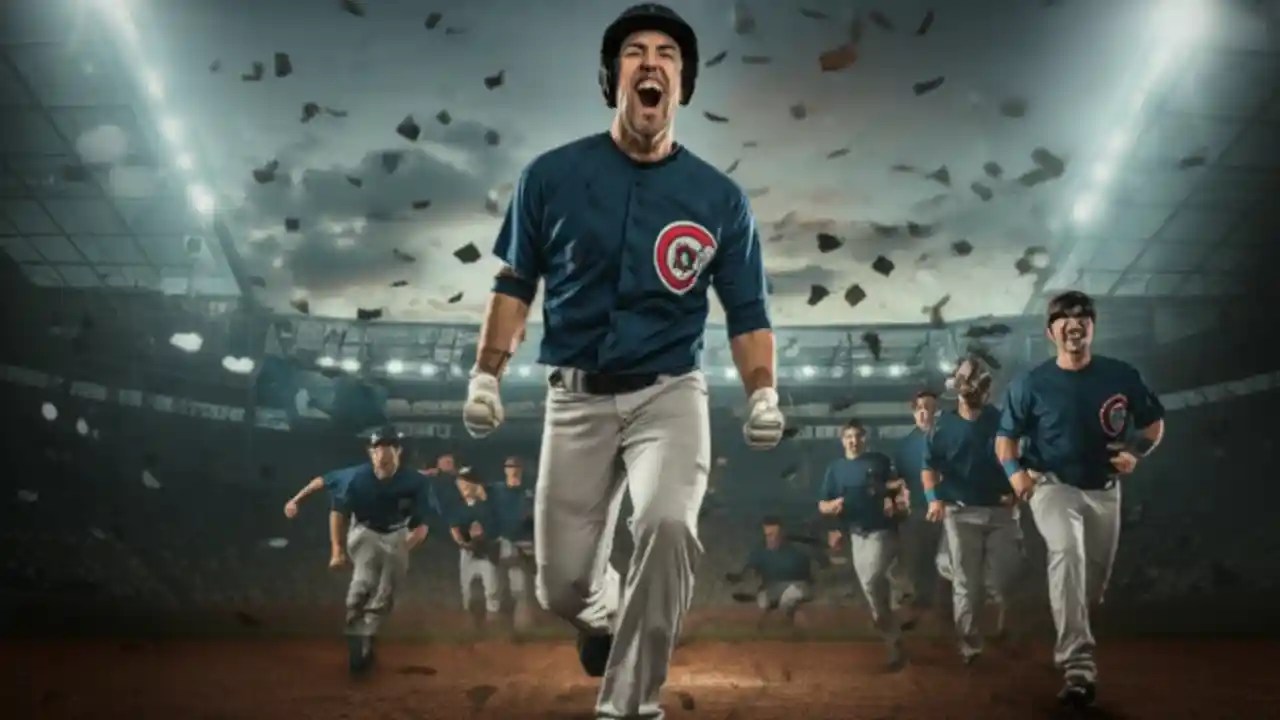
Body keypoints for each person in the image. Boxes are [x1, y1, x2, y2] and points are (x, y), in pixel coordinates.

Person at [459, 5, 785, 717]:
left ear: (682, 84)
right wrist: (486, 370)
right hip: (574, 397)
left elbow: (749, 312)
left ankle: (630, 705)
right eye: (634, 52)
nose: (651, 62)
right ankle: (603, 617)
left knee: (667, 527)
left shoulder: (721, 199)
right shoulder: (548, 176)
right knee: (562, 588)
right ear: (613, 80)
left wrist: (763, 391)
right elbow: (515, 283)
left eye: (667, 54)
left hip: (670, 395)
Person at [996, 291, 1165, 708]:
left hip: (1105, 491)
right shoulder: (1032, 383)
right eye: (1063, 317)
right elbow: (1005, 439)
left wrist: (1136, 452)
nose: (1074, 323)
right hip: (1052, 485)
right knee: (1067, 551)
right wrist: (1016, 475)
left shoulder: (1120, 375)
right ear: (1050, 331)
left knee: (1092, 587)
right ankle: (1078, 670)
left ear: (1093, 325)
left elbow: (1154, 424)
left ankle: (1061, 625)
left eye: (1082, 316)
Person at [281, 425, 430, 674]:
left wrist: (407, 546)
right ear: (370, 453)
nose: (382, 453)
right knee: (363, 583)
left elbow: (423, 523)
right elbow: (322, 482)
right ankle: (355, 626)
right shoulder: (355, 477)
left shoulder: (415, 481)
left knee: (386, 592)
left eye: (388, 447)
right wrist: (295, 500)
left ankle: (367, 635)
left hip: (398, 532)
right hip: (365, 531)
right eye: (376, 448)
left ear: (398, 450)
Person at [922, 356, 1022, 664]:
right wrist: (933, 499)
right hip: (960, 513)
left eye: (975, 384)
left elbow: (1017, 458)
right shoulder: (943, 426)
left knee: (1005, 577)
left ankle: (1010, 631)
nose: (970, 391)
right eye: (966, 384)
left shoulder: (1001, 420)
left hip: (1000, 512)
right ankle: (970, 646)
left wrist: (1016, 493)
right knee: (967, 582)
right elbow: (929, 466)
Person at [818, 419, 908, 671]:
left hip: (882, 531)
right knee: (872, 593)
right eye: (848, 436)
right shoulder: (835, 469)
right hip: (856, 535)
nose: (853, 440)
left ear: (864, 439)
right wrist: (832, 508)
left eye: (857, 436)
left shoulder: (879, 461)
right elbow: (822, 504)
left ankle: (900, 597)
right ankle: (893, 639)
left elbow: (899, 486)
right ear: (842, 440)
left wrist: (895, 499)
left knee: (873, 578)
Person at [892, 390, 941, 614]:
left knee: (945, 564)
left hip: (946, 511)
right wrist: (901, 495)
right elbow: (898, 480)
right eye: (919, 408)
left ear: (935, 410)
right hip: (916, 514)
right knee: (917, 562)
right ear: (914, 412)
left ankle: (945, 610)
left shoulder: (947, 439)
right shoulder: (904, 446)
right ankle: (921, 608)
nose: (924, 412)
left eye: (928, 407)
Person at [731, 516, 818, 631]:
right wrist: (739, 577)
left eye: (774, 534)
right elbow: (750, 570)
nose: (771, 538)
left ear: (782, 534)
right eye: (767, 535)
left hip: (798, 586)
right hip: (773, 588)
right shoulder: (760, 552)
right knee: (763, 602)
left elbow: (812, 576)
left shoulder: (798, 549)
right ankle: (772, 628)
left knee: (788, 599)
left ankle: (794, 624)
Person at [450, 469, 502, 627]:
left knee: (492, 588)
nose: (463, 485)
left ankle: (493, 621)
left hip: (487, 550)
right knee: (466, 588)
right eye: (460, 482)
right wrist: (462, 542)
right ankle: (469, 620)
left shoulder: (489, 503)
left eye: (466, 482)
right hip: (468, 551)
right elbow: (454, 528)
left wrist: (485, 536)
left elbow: (497, 526)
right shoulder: (458, 506)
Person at [490, 456, 536, 630]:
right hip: (500, 541)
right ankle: (497, 626)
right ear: (505, 469)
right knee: (496, 587)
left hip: (523, 542)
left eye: (516, 466)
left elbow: (537, 515)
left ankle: (522, 626)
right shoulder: (496, 489)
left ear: (521, 469)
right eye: (510, 466)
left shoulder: (529, 491)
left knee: (521, 587)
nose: (513, 469)